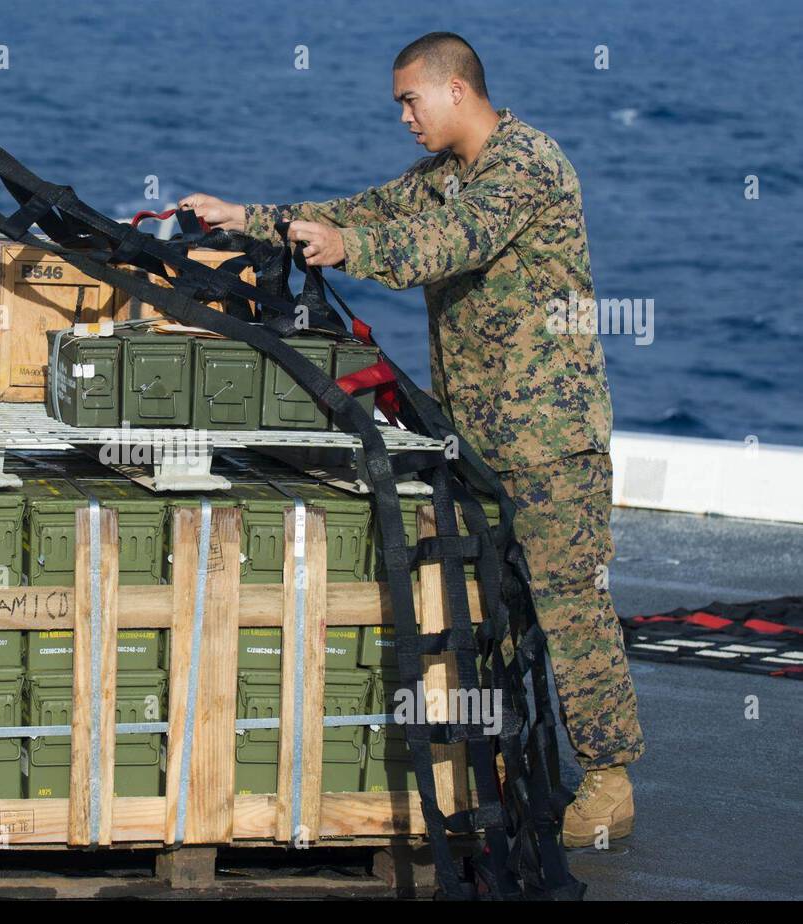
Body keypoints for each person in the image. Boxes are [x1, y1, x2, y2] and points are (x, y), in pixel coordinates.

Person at [181, 32, 643, 849]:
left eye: (410, 100)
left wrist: (352, 248)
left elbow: (438, 245)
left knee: (570, 605)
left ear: (456, 90)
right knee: (494, 603)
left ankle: (608, 781)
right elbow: (361, 212)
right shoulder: (444, 178)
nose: (404, 117)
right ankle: (505, 761)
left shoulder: (526, 167)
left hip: (547, 435)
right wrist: (250, 219)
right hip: (475, 430)